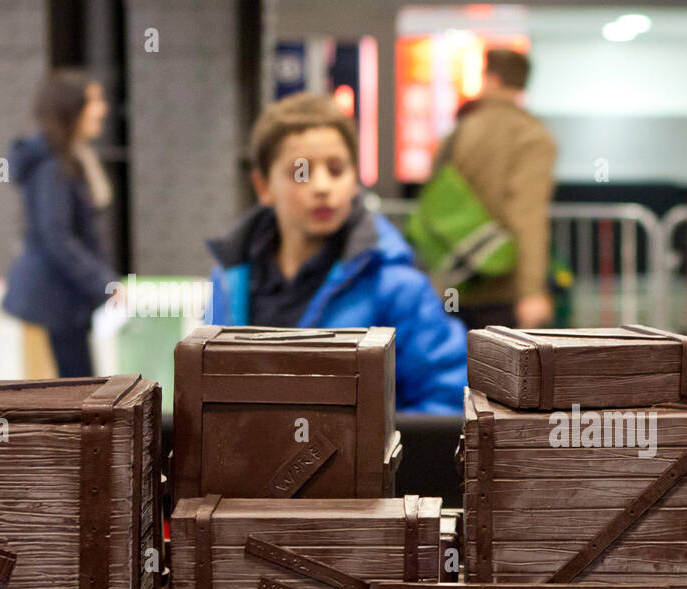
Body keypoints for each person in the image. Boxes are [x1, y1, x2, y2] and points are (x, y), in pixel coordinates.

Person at [204, 93, 467, 414]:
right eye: (301, 172)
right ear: (264, 187)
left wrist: (369, 451)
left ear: (355, 180)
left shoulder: (397, 287)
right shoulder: (230, 279)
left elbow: (448, 401)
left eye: (337, 169)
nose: (322, 186)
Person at [2, 70, 118, 378]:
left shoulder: (70, 158)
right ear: (71, 108)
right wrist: (104, 282)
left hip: (61, 301)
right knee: (74, 395)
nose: (103, 109)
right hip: (52, 302)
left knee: (79, 389)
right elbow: (58, 239)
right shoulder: (53, 167)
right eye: (94, 101)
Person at [437, 48, 557, 331]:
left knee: (455, 369)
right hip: (502, 284)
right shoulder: (532, 136)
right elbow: (527, 216)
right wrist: (531, 291)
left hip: (451, 274)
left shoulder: (460, 131)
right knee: (499, 371)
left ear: (492, 79)